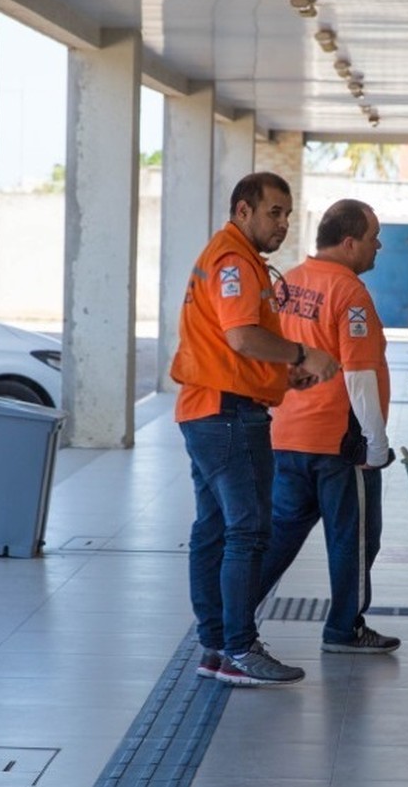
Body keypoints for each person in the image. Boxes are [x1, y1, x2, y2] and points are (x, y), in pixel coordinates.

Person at [170, 171, 340, 687]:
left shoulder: (235, 259)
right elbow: (242, 337)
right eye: (274, 212)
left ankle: (216, 646)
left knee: (215, 530)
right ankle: (239, 649)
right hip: (226, 417)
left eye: (287, 214)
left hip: (212, 409)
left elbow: (233, 348)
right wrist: (302, 352)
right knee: (246, 531)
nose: (283, 223)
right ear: (243, 211)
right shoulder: (234, 262)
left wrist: (283, 377)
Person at [259, 199, 401, 654]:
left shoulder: (288, 283)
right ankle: (344, 628)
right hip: (341, 444)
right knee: (355, 539)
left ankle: (232, 616)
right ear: (349, 242)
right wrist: (375, 445)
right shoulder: (350, 293)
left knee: (280, 535)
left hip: (286, 435)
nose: (379, 246)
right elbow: (358, 375)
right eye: (374, 237)